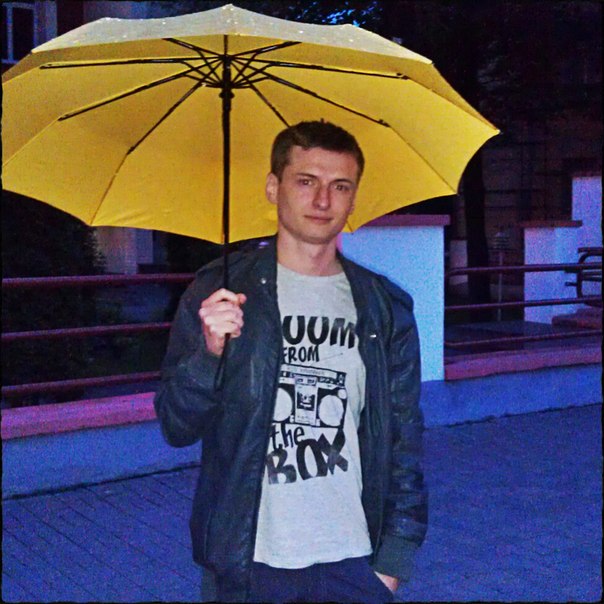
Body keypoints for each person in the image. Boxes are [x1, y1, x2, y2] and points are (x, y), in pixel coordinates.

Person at [154, 120, 428, 603]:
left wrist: (394, 559)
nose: (323, 200)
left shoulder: (384, 307)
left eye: (340, 186)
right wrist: (209, 355)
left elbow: (404, 437)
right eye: (306, 181)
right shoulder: (219, 292)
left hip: (353, 559)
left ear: (353, 198)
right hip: (250, 562)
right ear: (273, 187)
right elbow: (176, 427)